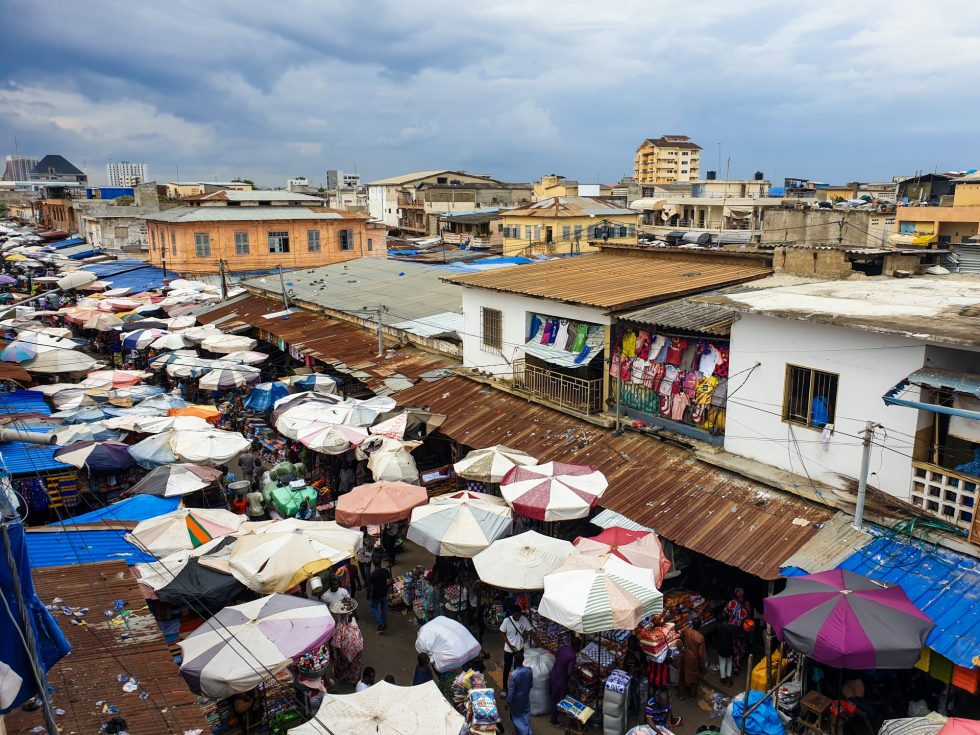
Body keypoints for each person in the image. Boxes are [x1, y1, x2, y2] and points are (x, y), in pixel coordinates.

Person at [499, 604, 530, 695]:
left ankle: (516, 686)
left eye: (519, 615)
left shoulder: (524, 620)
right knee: (507, 668)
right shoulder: (506, 621)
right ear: (512, 614)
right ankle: (505, 687)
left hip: (519, 648)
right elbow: (502, 633)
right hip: (509, 649)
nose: (517, 617)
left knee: (518, 669)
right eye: (516, 615)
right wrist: (510, 644)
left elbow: (530, 631)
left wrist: (540, 643)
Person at [723, 588, 753, 674]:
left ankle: (734, 666)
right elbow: (749, 618)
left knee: (734, 648)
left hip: (733, 630)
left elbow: (725, 613)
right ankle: (737, 664)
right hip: (742, 630)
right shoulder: (747, 604)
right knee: (740, 647)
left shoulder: (731, 603)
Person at [549, 640, 577, 725]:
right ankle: (553, 720)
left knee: (555, 697)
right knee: (558, 699)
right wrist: (575, 669)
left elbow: (557, 655)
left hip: (554, 674)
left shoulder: (563, 647)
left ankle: (564, 715)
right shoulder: (572, 656)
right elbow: (569, 672)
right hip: (560, 680)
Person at [678, 619, 706, 700]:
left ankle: (681, 695)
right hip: (694, 660)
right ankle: (692, 696)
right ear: (700, 626)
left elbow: (681, 637)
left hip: (685, 655)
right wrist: (702, 665)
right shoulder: (700, 637)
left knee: (682, 676)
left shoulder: (686, 631)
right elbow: (701, 654)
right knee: (694, 679)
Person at [507, 651, 533, 735]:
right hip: (525, 697)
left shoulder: (513, 674)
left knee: (516, 717)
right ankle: (522, 731)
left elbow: (511, 691)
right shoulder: (529, 670)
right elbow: (531, 684)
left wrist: (508, 702)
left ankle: (521, 732)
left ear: (515, 661)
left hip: (516, 700)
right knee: (525, 715)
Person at [368, 559, 391, 633]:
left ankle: (380, 623)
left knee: (373, 607)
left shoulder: (372, 574)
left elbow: (370, 587)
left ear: (373, 564)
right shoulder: (385, 571)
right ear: (380, 563)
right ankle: (385, 623)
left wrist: (368, 595)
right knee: (384, 608)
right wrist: (386, 587)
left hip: (376, 595)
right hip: (384, 593)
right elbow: (390, 581)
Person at [716, 619, 736, 686]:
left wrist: (716, 647)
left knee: (722, 662)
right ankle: (728, 678)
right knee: (729, 662)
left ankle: (723, 678)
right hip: (729, 648)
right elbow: (733, 639)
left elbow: (715, 638)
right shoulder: (731, 627)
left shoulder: (718, 626)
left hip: (720, 648)